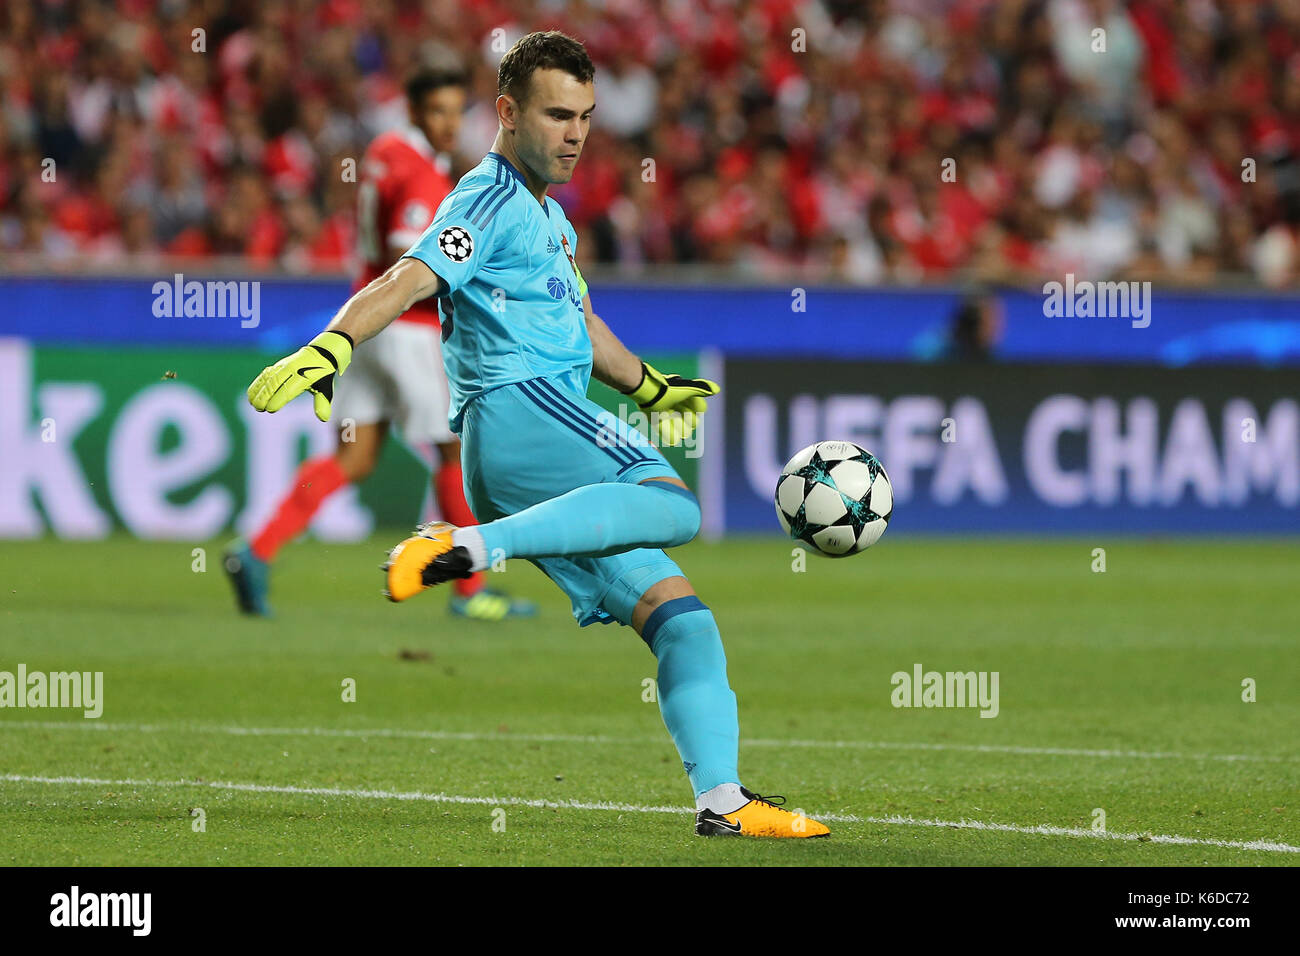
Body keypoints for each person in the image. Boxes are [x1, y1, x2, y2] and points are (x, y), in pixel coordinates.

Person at [245, 31, 828, 839]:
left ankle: (722, 802)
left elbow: (582, 325)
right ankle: (470, 548)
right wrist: (331, 345)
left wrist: (652, 386)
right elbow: (406, 275)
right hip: (523, 416)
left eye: (586, 116)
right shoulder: (485, 198)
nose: (576, 134)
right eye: (558, 114)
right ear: (508, 113)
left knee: (683, 619)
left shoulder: (549, 220)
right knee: (675, 505)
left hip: (530, 451)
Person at [225, 68, 535, 622]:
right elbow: (409, 258)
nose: (448, 124)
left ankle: (257, 550)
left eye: (456, 112)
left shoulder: (382, 152)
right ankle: (471, 592)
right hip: (408, 332)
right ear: (413, 111)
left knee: (354, 456)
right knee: (453, 453)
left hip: (363, 329)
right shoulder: (421, 174)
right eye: (437, 111)